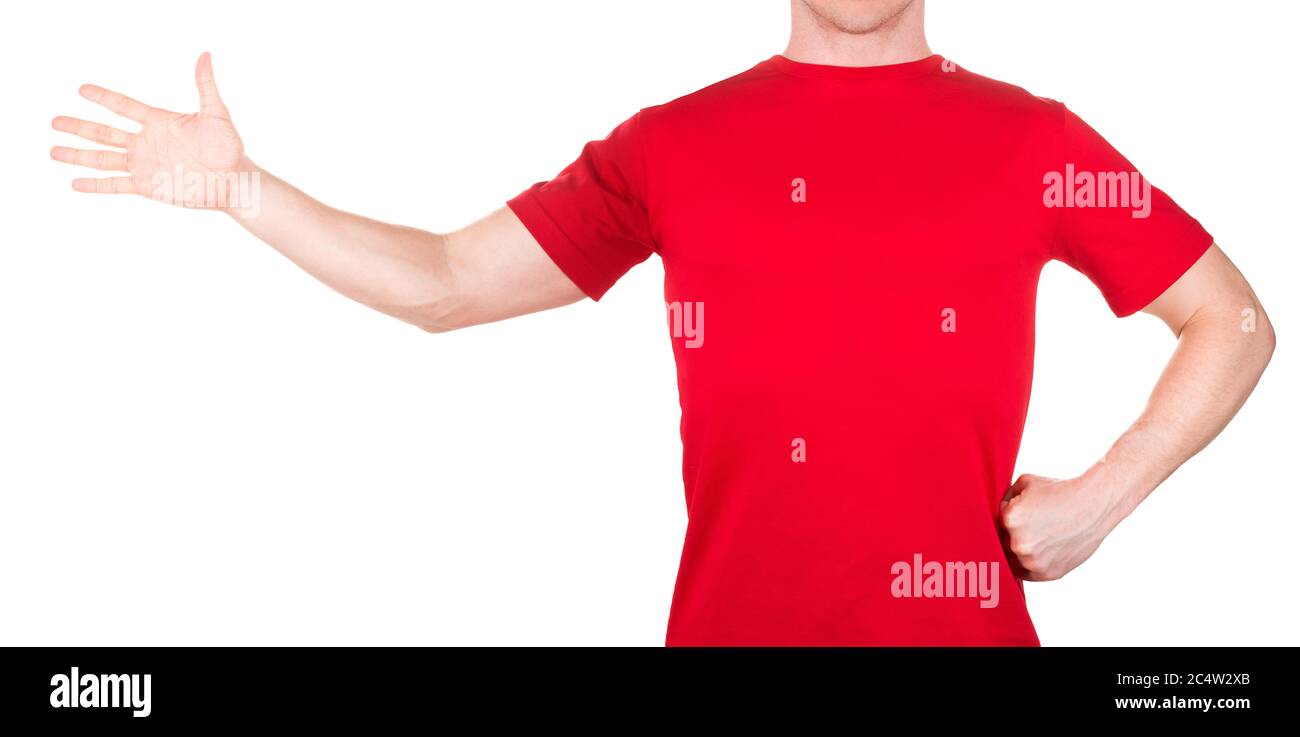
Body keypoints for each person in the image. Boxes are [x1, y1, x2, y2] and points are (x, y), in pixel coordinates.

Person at [48, 0, 1275, 645]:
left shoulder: (1035, 139)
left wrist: (1103, 499)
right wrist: (246, 190)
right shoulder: (672, 146)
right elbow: (444, 281)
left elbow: (1229, 319)